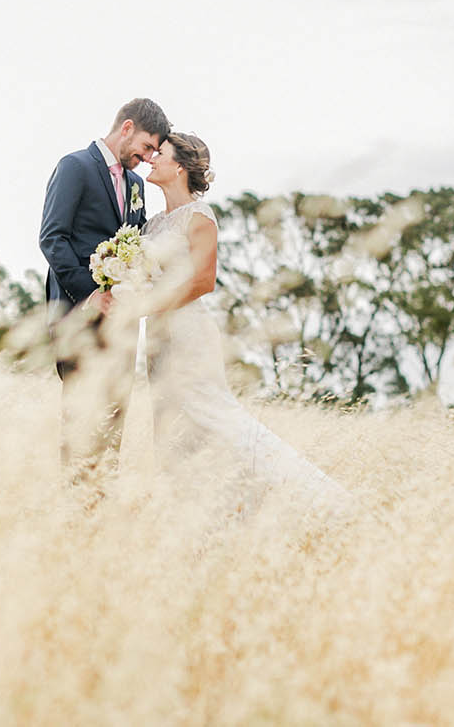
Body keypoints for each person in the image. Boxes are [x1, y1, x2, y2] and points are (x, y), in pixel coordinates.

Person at [138, 132, 353, 518]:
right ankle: (196, 519)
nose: (152, 158)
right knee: (170, 428)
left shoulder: (199, 216)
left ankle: (317, 502)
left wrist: (147, 304)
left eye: (160, 153)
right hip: (156, 339)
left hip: (188, 335)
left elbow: (204, 280)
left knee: (212, 418)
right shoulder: (152, 223)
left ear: (181, 167)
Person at [38, 98, 169, 482]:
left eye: (153, 153)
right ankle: (76, 513)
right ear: (126, 128)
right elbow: (52, 238)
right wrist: (91, 293)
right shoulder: (75, 167)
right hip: (78, 316)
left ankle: (101, 518)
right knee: (80, 423)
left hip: (122, 323)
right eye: (146, 146)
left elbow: (136, 243)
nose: (147, 158)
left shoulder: (135, 185)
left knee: (114, 422)